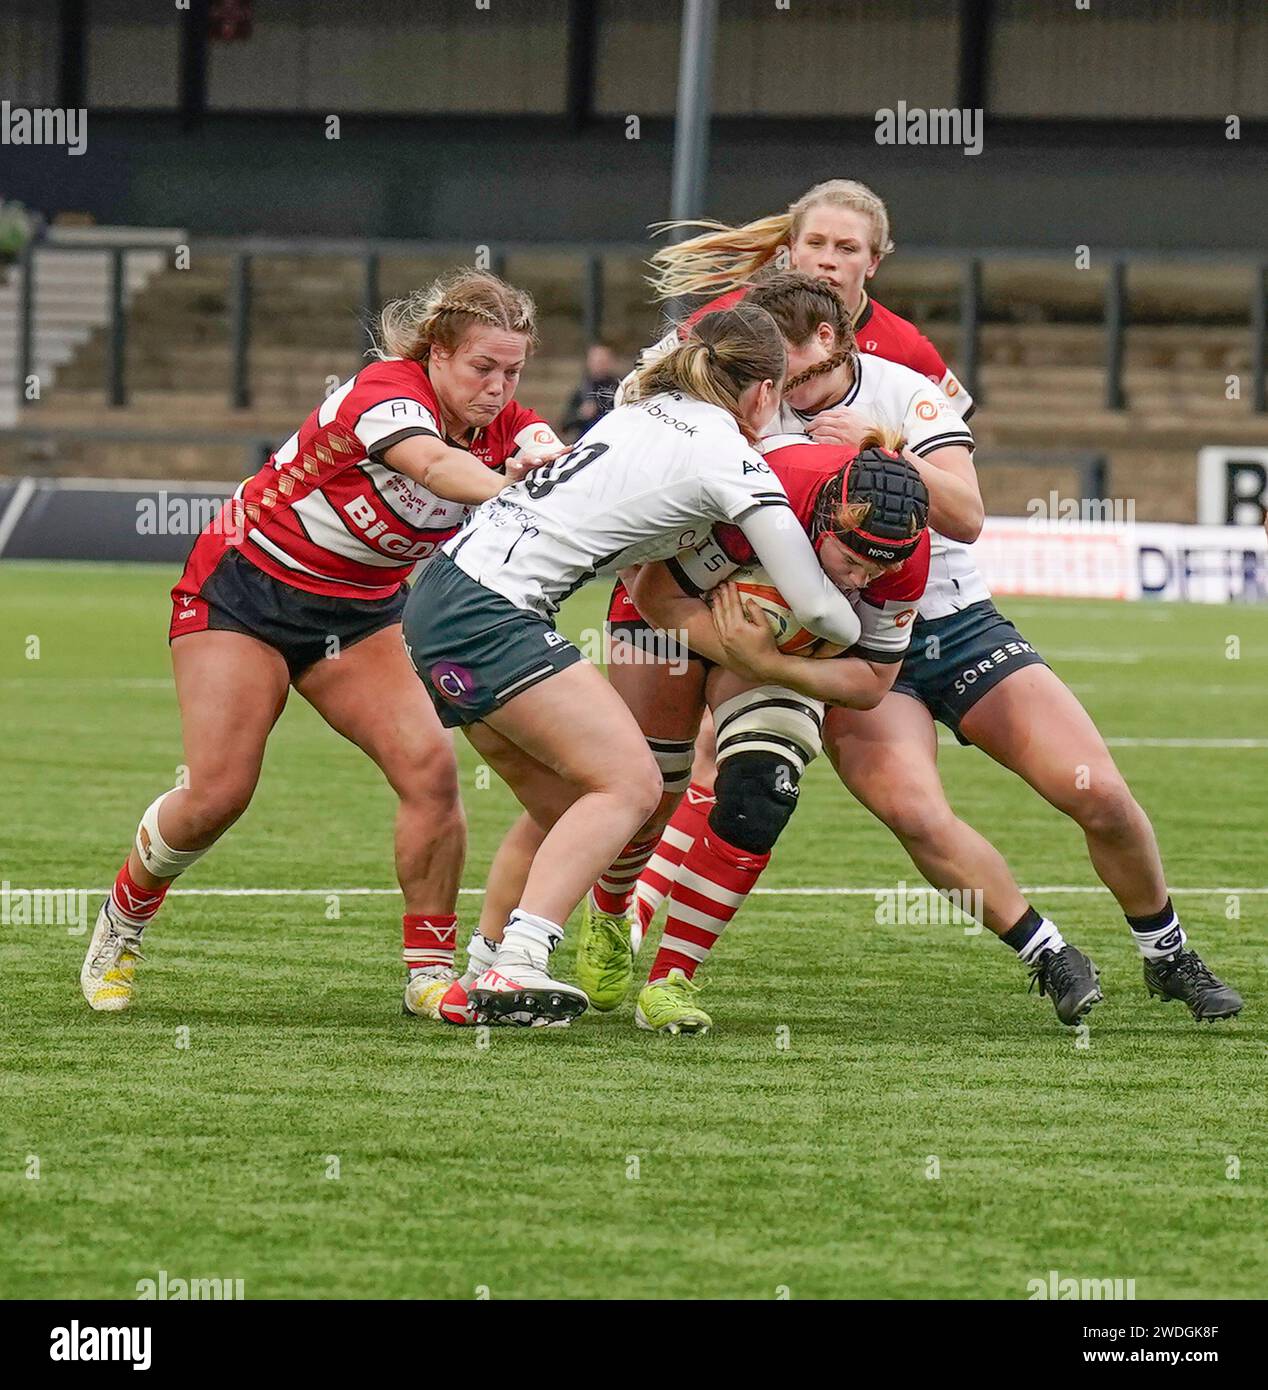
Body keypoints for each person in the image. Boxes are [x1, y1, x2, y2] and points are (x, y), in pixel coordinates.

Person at [646, 277, 1245, 1025]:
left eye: (784, 352)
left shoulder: (904, 390)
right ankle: (1048, 952)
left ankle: (1168, 951)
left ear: (827, 340)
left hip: (955, 623)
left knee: (1097, 793)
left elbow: (966, 516)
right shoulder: (753, 410)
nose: (770, 371)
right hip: (844, 647)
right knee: (915, 812)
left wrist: (885, 451)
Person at [79, 267, 564, 1019]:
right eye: (482, 368)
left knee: (430, 771)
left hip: (361, 615)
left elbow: (534, 439)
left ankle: (429, 974)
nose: (499, 388)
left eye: (513, 371)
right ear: (436, 352)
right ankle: (122, 923)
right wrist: (517, 488)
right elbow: (435, 465)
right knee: (218, 793)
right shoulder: (384, 392)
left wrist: (544, 453)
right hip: (243, 591)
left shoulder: (502, 421)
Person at [400, 303, 865, 1027]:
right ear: (766, 392)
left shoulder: (639, 401)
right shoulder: (730, 457)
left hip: (438, 596)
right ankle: (520, 961)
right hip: (491, 611)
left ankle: (481, 972)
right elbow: (821, 606)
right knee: (634, 784)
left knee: (563, 804)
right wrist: (854, 625)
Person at [622, 178, 974, 915]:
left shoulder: (904, 352)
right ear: (790, 248)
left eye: (847, 248)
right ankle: (576, 926)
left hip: (795, 589)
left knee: (747, 771)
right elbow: (635, 403)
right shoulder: (726, 323)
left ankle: (659, 958)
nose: (827, 260)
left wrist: (887, 454)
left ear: (873, 262)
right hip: (686, 568)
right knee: (636, 778)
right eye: (814, 243)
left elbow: (963, 510)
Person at [561, 342, 623, 442]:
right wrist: (580, 415)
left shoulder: (620, 389)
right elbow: (565, 425)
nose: (599, 365)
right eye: (596, 361)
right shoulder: (582, 390)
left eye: (603, 361)